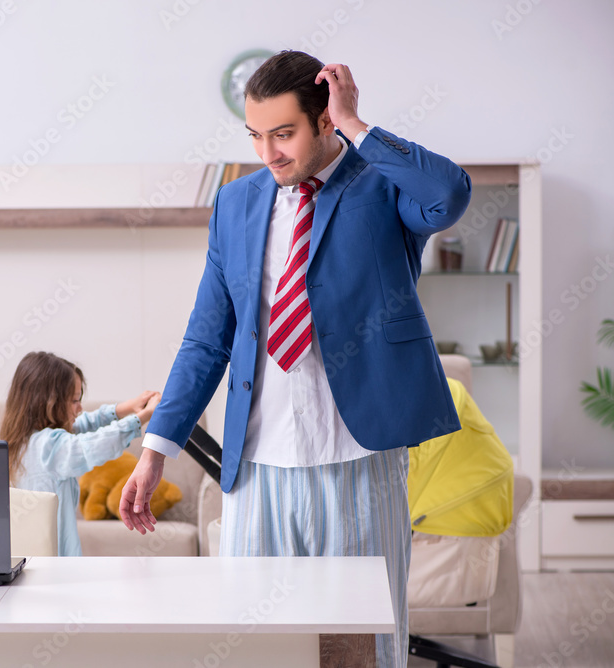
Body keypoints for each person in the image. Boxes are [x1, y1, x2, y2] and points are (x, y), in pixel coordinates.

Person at [119, 50, 471, 667]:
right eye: (255, 135)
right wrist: (156, 451)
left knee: (365, 648)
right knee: (259, 647)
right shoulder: (236, 203)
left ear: (324, 120)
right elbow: (207, 338)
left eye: (284, 134)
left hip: (357, 457)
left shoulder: (381, 184)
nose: (268, 153)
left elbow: (448, 196)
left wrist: (361, 127)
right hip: (257, 466)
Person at [1, 351, 160, 557]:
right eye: (75, 400)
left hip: (32, 558)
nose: (80, 407)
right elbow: (93, 445)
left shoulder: (25, 441)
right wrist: (142, 417)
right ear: (47, 404)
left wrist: (125, 408)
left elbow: (85, 424)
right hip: (53, 561)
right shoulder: (50, 448)